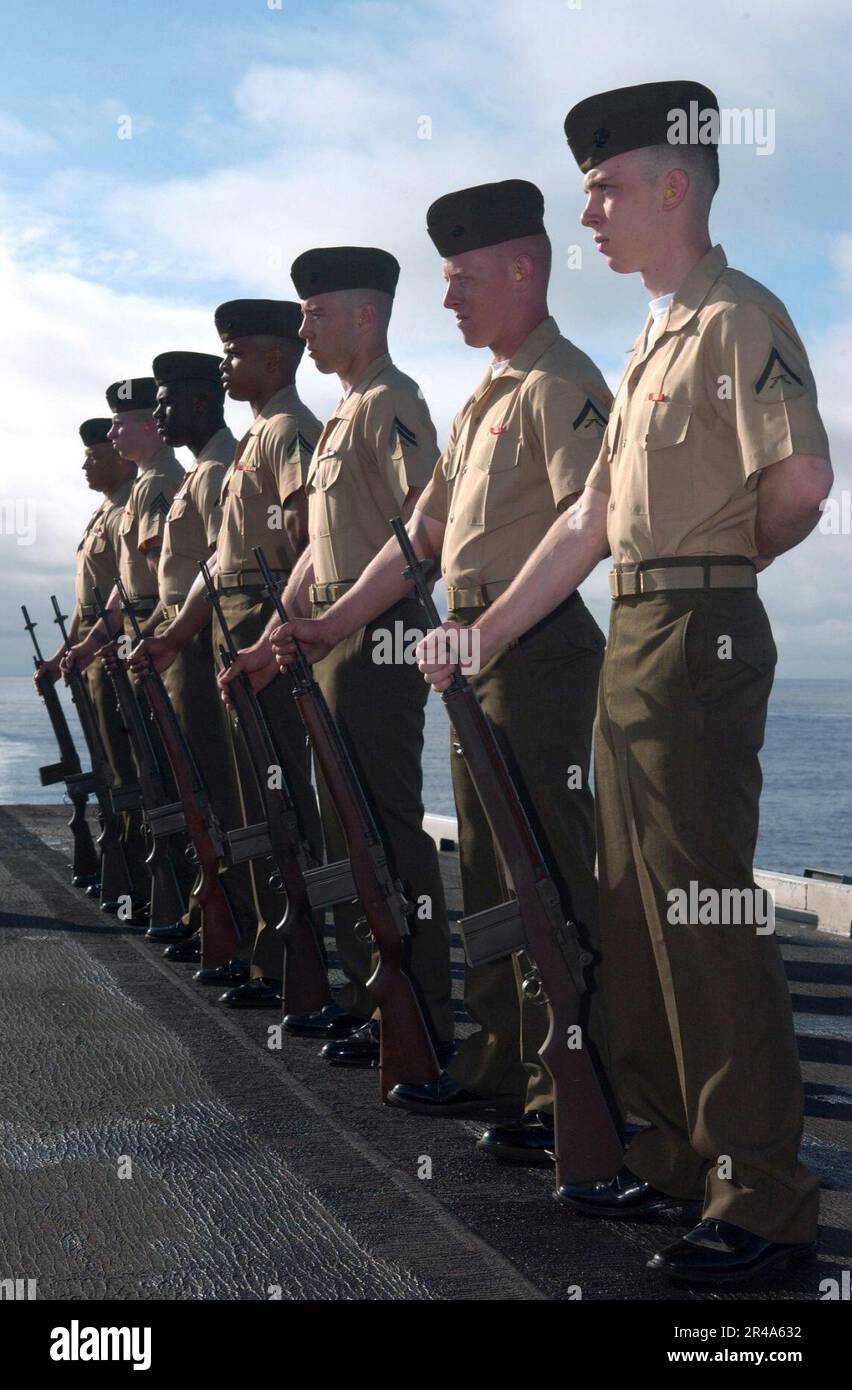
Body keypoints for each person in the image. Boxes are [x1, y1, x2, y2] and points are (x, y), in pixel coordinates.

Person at [417, 80, 833, 1285]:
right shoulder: (657, 334)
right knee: (636, 916)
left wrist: (712, 567)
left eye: (603, 186)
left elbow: (801, 485)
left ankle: (761, 1197)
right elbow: (593, 517)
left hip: (693, 627)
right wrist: (485, 634)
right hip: (640, 628)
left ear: (674, 184)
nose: (586, 209)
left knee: (704, 919)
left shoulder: (735, 317)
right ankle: (662, 1155)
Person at [268, 186, 614, 1164]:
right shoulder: (480, 403)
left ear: (523, 270)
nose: (449, 299)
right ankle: (508, 1067)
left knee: (550, 876)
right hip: (468, 657)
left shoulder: (563, 385)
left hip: (534, 649)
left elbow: (593, 522)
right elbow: (418, 532)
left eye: (462, 280)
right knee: (496, 880)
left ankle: (579, 1087)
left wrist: (491, 627)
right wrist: (331, 619)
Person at [220, 247, 454, 1066]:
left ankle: (418, 1010)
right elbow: (315, 555)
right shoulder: (346, 415)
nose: (305, 329)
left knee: (385, 827)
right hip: (331, 635)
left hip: (376, 636)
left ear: (366, 316)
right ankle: (372, 996)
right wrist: (266, 641)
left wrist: (340, 622)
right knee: (345, 823)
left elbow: (426, 524)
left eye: (319, 314)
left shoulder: (394, 402)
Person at [129, 302, 323, 1006]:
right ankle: (265, 948)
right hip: (232, 622)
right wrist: (180, 632)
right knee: (245, 797)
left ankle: (293, 959)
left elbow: (310, 538)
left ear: (271, 360)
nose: (224, 364)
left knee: (278, 798)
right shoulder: (247, 447)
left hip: (266, 621)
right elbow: (220, 560)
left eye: (234, 354)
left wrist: (280, 628)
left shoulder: (288, 431)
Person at [62, 379, 185, 913]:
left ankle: (158, 884)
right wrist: (85, 645)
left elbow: (160, 578)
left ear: (150, 426)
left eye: (118, 426)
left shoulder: (159, 485)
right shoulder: (134, 495)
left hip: (150, 637)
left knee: (150, 772)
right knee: (124, 769)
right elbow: (113, 591)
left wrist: (140, 634)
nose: (110, 442)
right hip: (126, 639)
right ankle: (139, 876)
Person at [35, 418, 140, 903]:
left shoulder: (128, 511)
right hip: (93, 651)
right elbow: (87, 602)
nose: (85, 464)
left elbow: (126, 592)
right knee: (105, 767)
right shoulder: (103, 514)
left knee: (128, 769)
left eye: (95, 456)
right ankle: (121, 867)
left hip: (114, 649)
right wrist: (61, 657)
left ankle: (139, 871)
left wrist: (87, 648)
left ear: (121, 459)